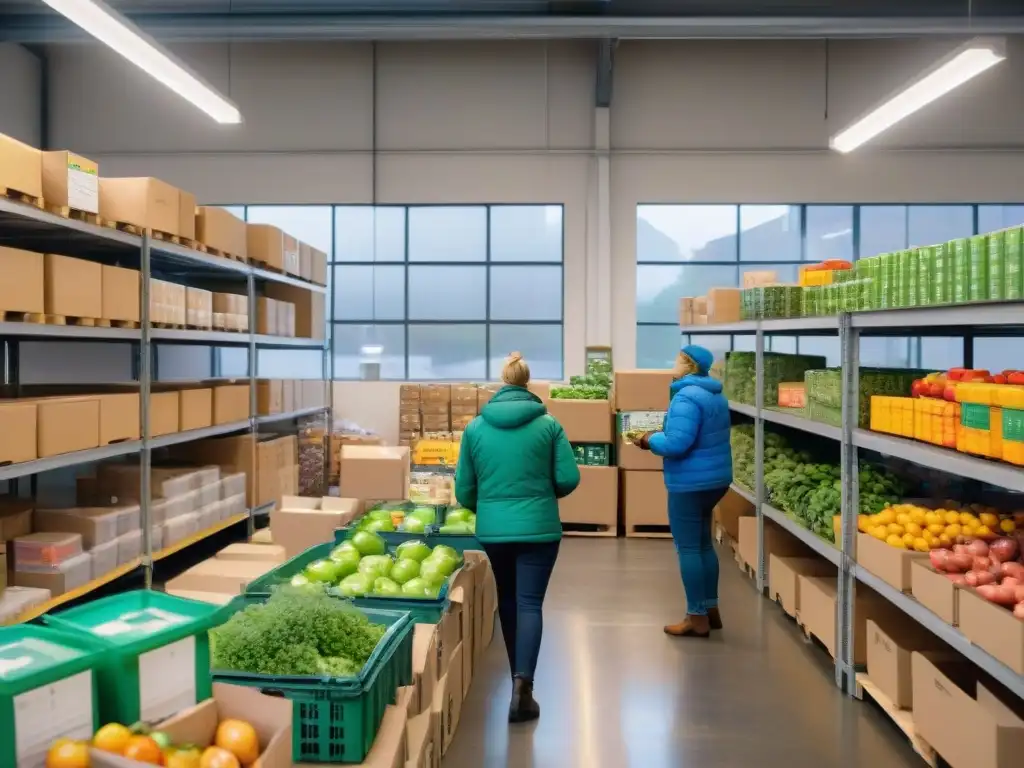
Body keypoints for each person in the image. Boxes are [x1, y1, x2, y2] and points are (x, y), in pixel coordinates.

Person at [454, 352, 580, 723]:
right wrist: (543, 493)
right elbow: (569, 479)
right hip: (540, 529)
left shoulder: (475, 428)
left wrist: (490, 505)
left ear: (502, 383)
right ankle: (524, 685)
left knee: (507, 600)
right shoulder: (549, 426)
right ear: (528, 383)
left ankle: (515, 678)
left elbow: (464, 491)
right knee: (530, 604)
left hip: (493, 530)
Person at [637, 344, 733, 638]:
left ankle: (696, 616)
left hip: (690, 483)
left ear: (689, 365)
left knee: (688, 548)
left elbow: (676, 444)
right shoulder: (715, 395)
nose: (673, 364)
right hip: (715, 480)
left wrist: (648, 439)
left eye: (678, 359)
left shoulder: (685, 398)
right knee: (704, 544)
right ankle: (711, 608)